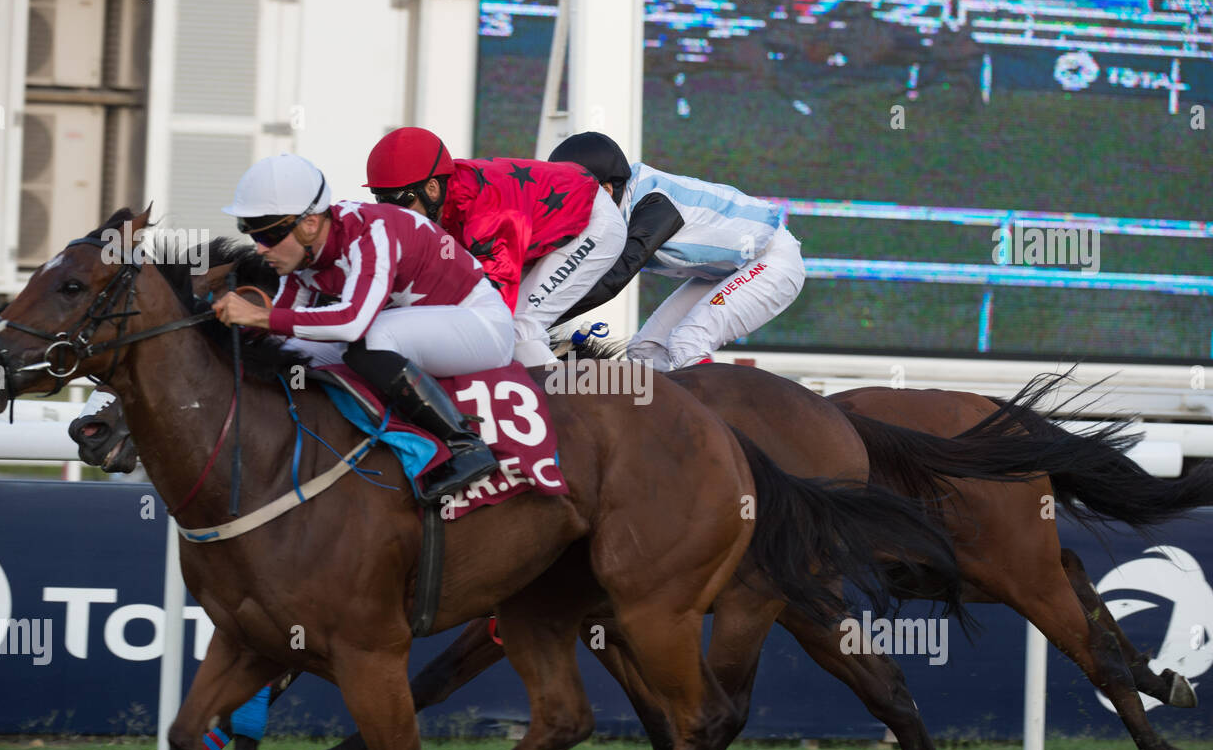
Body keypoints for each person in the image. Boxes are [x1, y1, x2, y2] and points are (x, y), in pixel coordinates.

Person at [212, 153, 514, 504]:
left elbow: (352, 323)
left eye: (268, 234)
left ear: (309, 224)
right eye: (250, 234)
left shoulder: (372, 234)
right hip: (426, 328)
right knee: (289, 350)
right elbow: (281, 331)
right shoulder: (304, 257)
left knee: (366, 341)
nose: (260, 248)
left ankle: (465, 446)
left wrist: (259, 317)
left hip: (481, 326)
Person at [362, 127, 625, 367]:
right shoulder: (445, 201)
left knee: (517, 328)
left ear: (432, 188)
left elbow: (492, 313)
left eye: (399, 201)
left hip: (593, 224)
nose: (393, 213)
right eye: (381, 201)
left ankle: (559, 412)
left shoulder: (485, 217)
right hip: (548, 225)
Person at [547, 131, 807, 370]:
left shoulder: (655, 204)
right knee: (644, 352)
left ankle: (717, 422)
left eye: (574, 197)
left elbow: (614, 278)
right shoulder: (618, 202)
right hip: (730, 270)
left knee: (688, 342)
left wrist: (539, 320)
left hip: (773, 261)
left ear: (606, 189)